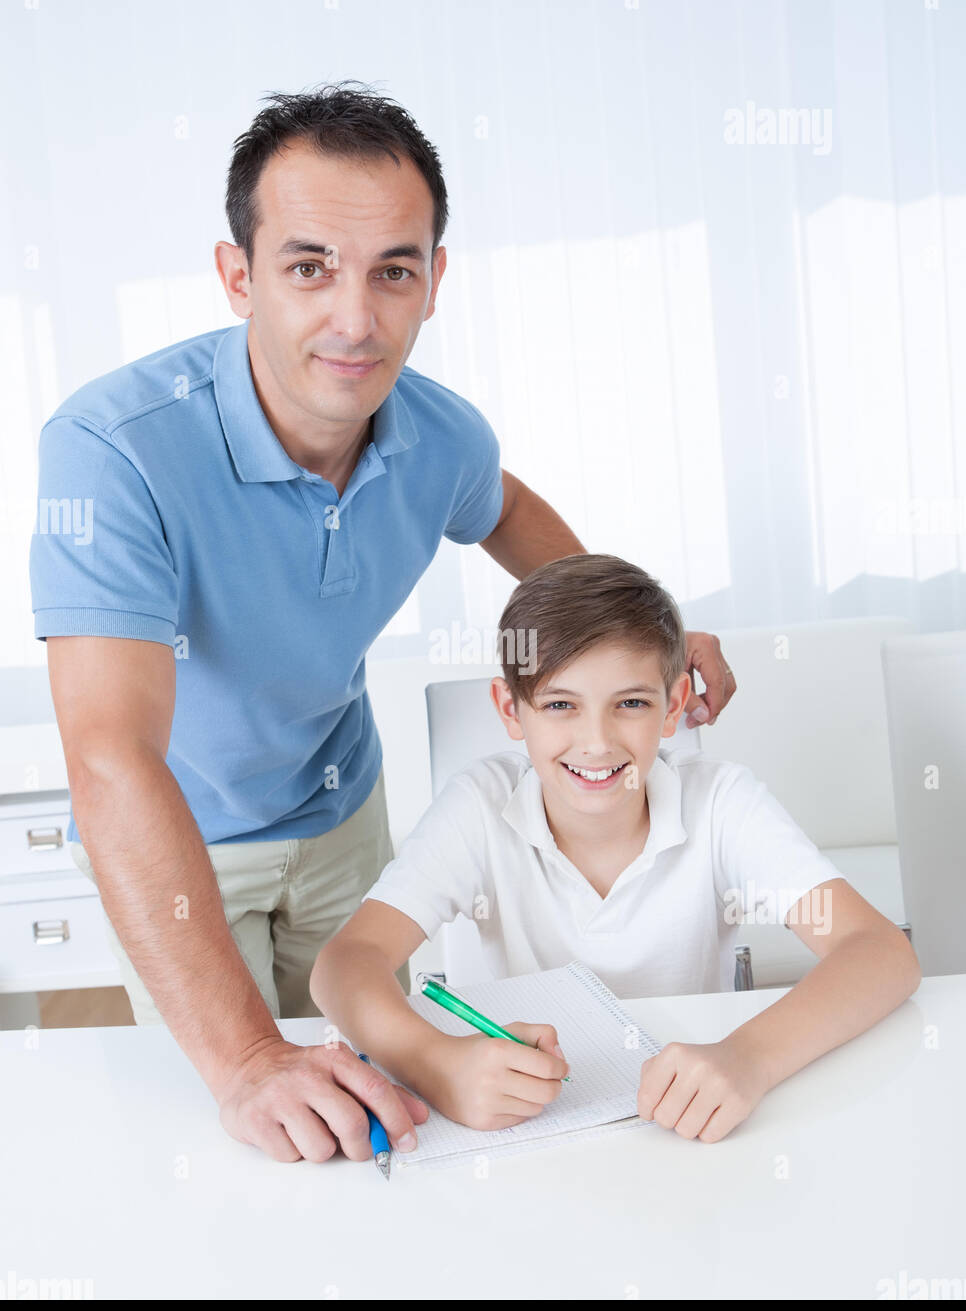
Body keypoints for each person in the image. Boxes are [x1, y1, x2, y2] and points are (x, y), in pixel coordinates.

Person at [29, 83, 735, 1165]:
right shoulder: (110, 450)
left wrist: (650, 638)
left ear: (434, 281)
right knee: (253, 1129)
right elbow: (112, 758)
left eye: (392, 269)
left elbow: (504, 510)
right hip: (180, 836)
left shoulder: (439, 435)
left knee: (379, 1108)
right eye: (308, 265)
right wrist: (246, 1057)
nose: (355, 319)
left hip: (341, 810)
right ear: (238, 276)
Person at [310, 553, 921, 1143]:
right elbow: (345, 964)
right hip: (529, 1134)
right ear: (510, 709)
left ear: (674, 705)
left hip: (679, 1132)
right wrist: (434, 1063)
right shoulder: (478, 807)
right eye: (559, 705)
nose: (596, 743)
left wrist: (748, 1058)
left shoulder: (721, 804)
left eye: (630, 703)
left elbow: (880, 953)